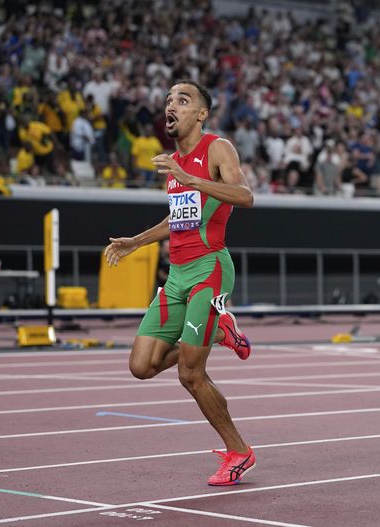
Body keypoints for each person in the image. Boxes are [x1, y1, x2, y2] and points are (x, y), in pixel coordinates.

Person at [104, 80, 256, 486]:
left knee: (190, 373)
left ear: (201, 114)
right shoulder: (171, 163)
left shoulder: (217, 148)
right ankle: (217, 333)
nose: (172, 105)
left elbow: (245, 196)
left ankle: (239, 452)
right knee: (141, 366)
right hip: (177, 276)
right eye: (169, 99)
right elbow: (179, 219)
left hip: (210, 268)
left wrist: (193, 180)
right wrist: (136, 241)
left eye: (183, 100)